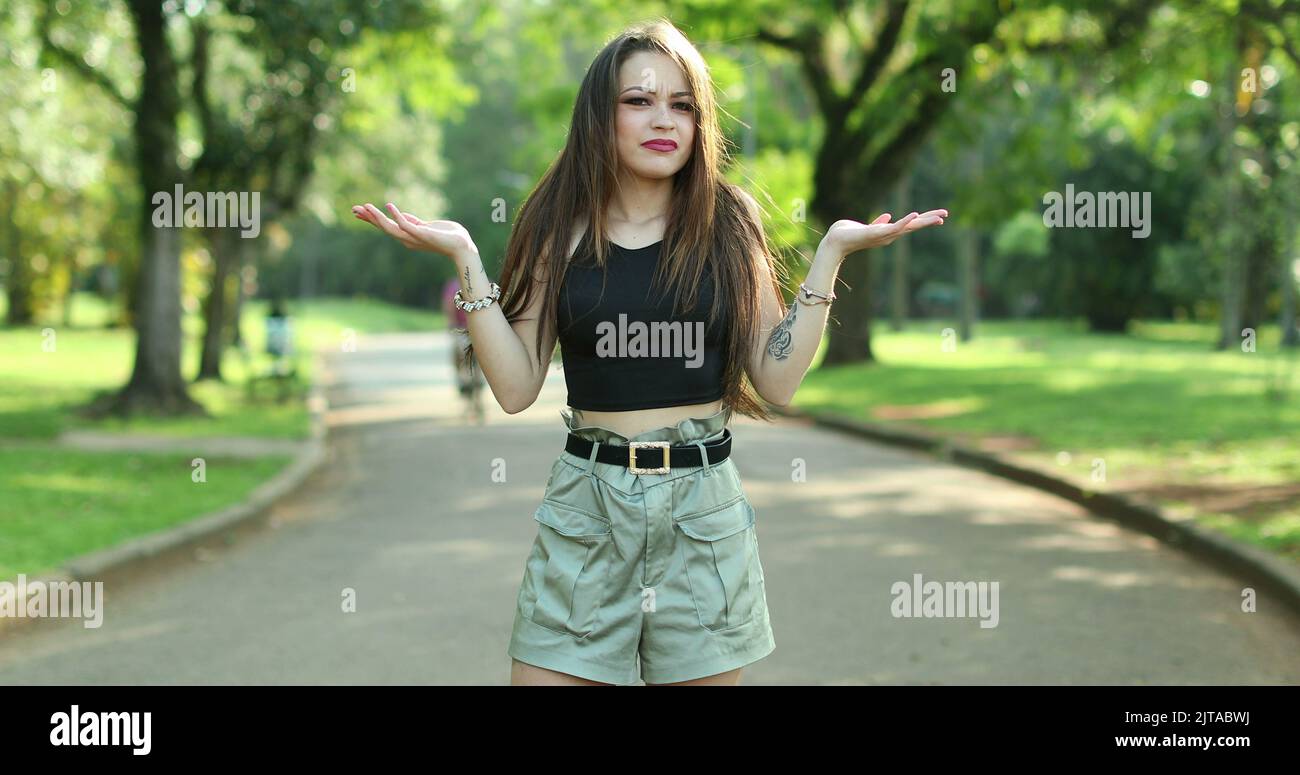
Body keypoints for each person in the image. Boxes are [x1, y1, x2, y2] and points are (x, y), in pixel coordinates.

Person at [352, 18, 947, 685]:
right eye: (639, 100)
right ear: (599, 117)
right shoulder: (556, 225)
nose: (663, 119)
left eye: (682, 104)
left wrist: (829, 254)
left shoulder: (729, 219)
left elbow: (777, 379)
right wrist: (466, 257)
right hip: (587, 511)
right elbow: (516, 387)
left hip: (701, 514)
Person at [442, 276, 486, 423]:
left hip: (471, 331)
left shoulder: (454, 287)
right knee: (471, 364)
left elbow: (449, 309)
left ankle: (472, 400)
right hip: (467, 330)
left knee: (466, 364)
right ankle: (474, 401)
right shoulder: (478, 283)